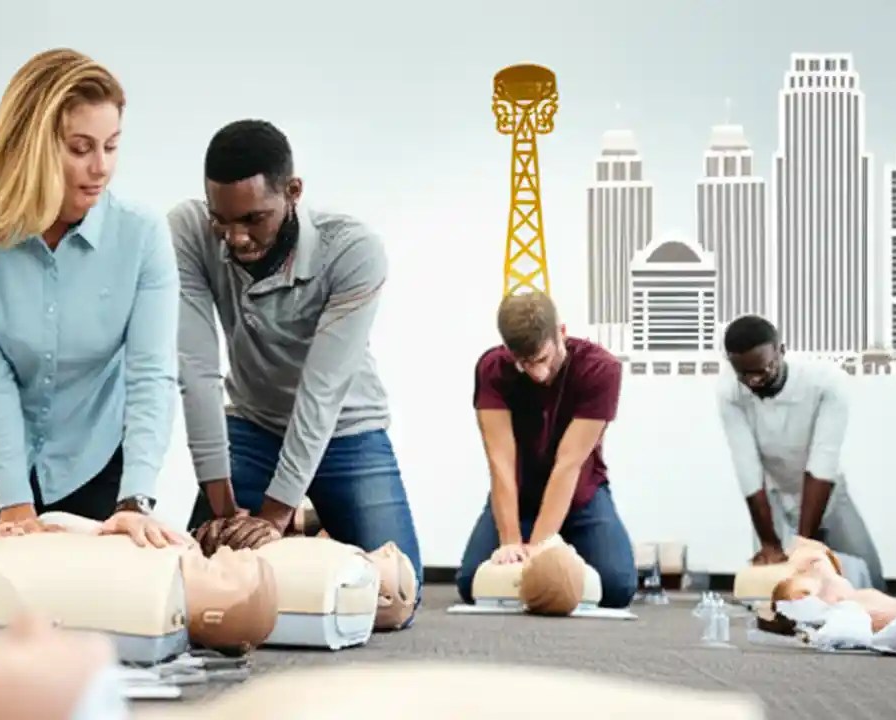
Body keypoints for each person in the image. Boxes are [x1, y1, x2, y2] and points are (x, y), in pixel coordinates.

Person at [0, 48, 186, 548]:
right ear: (33, 146)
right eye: (80, 147)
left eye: (111, 146)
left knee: (78, 615)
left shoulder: (142, 234)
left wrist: (136, 500)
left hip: (92, 454)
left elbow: (151, 373)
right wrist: (15, 504)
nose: (101, 167)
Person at [169, 118, 424, 605]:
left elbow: (321, 391)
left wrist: (273, 519)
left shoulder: (351, 251)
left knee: (396, 597)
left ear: (293, 192)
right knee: (198, 584)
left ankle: (307, 520)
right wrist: (228, 515)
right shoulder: (189, 230)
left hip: (347, 431)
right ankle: (308, 522)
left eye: (254, 219)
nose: (236, 238)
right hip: (253, 424)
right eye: (223, 220)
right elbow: (197, 371)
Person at [456, 290, 638, 609]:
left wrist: (539, 547)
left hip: (582, 496)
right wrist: (511, 542)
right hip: (522, 497)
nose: (537, 373)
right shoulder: (492, 369)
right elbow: (500, 461)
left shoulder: (600, 369)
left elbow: (568, 464)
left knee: (617, 586)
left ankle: (561, 545)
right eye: (525, 364)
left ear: (561, 333)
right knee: (472, 582)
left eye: (543, 359)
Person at [717, 314, 886, 591]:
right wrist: (770, 544)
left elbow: (823, 462)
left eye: (763, 369)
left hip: (826, 493)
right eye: (744, 374)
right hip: (772, 498)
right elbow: (747, 467)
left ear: (781, 351)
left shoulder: (825, 382)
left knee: (870, 582)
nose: (754, 380)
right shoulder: (729, 391)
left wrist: (803, 545)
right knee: (775, 591)